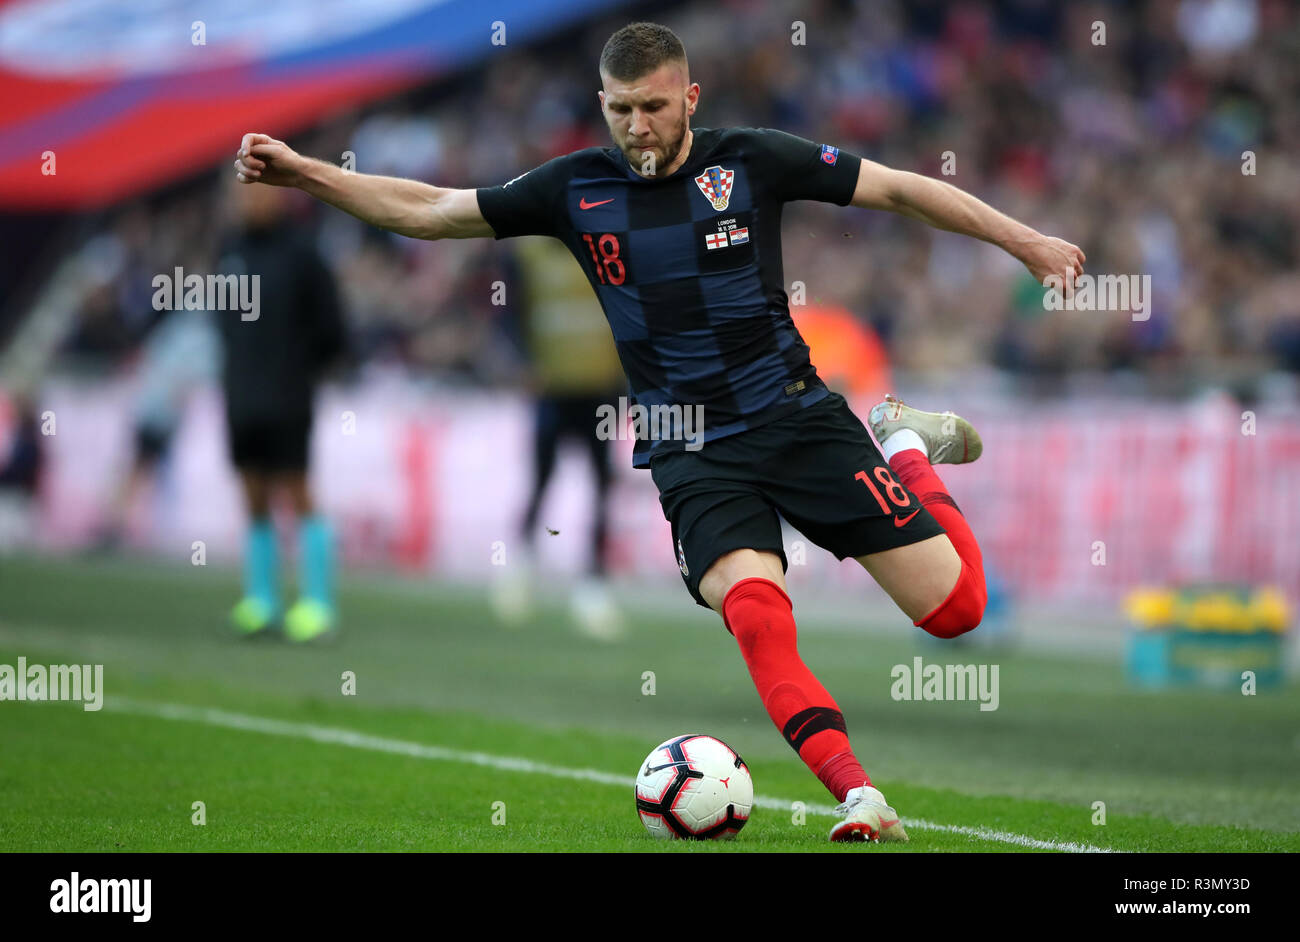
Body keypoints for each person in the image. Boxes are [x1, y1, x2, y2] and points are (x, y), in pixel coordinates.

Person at [232, 21, 1084, 840]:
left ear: (690, 98)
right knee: (756, 613)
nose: (638, 125)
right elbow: (428, 209)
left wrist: (1026, 240)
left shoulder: (753, 160)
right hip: (692, 449)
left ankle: (902, 443)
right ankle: (858, 794)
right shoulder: (573, 190)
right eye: (619, 108)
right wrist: (309, 174)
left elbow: (900, 188)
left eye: (654, 106)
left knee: (957, 612)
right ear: (602, 104)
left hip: (798, 418)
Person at [216, 182, 347, 642]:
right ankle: (261, 600)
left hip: (289, 396)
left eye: (256, 194)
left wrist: (296, 371)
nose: (247, 201)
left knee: (298, 490)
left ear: (279, 197)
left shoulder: (304, 255)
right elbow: (223, 324)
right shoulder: (228, 252)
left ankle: (316, 603)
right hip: (240, 395)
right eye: (242, 195)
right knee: (253, 494)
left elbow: (333, 329)